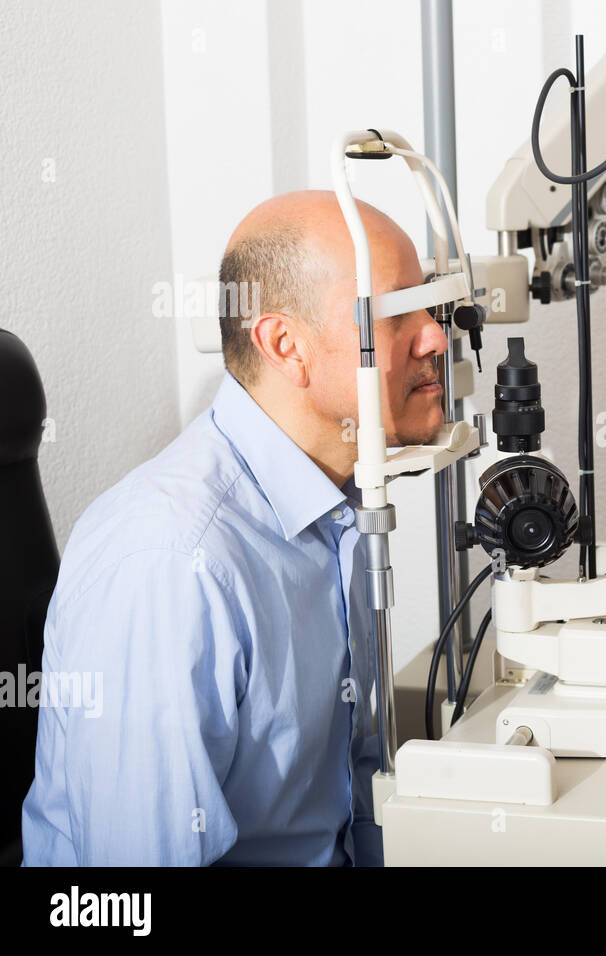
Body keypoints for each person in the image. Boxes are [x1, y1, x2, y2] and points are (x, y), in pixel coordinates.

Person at [22, 190, 448, 865]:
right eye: (398, 313)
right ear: (287, 346)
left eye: (430, 305)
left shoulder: (338, 512)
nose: (437, 336)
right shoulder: (171, 563)